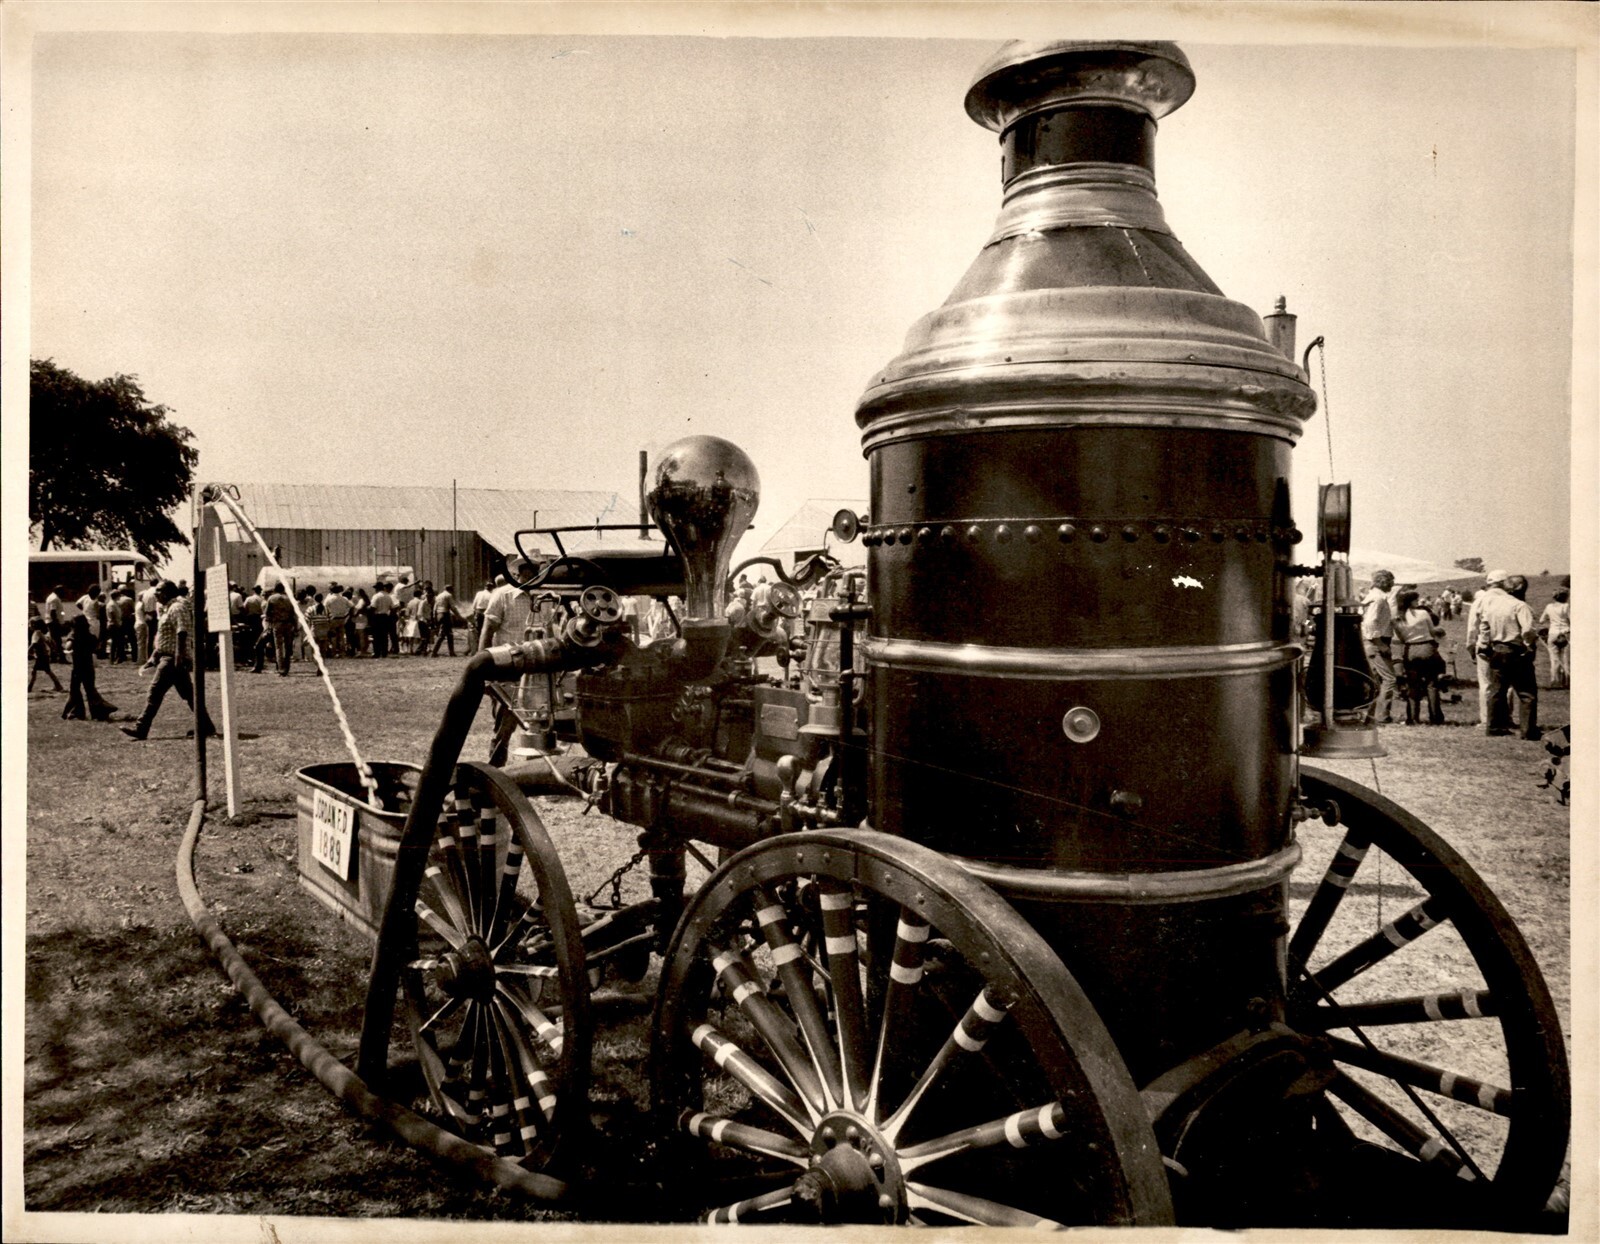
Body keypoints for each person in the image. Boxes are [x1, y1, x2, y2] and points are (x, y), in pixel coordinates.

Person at [122, 581, 216, 740]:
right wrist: (153, 658)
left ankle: (141, 728)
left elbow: (181, 632)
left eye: (158, 591)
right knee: (190, 695)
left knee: (155, 693)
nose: (155, 594)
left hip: (172, 659)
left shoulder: (176, 608)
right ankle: (206, 727)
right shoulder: (168, 608)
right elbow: (166, 638)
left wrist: (179, 658)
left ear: (167, 593)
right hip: (169, 657)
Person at [1474, 572, 1539, 739]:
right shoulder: (1520, 606)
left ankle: (1493, 727)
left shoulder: (1494, 605)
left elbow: (1485, 627)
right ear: (1521, 589)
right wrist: (1529, 646)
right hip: (1516, 651)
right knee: (1527, 693)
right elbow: (1528, 630)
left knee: (1497, 690)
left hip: (1497, 650)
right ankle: (1528, 730)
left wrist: (1485, 645)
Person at [1392, 589, 1445, 725]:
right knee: (1431, 684)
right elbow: (1432, 631)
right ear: (1412, 601)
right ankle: (1435, 717)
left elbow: (1401, 637)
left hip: (1410, 649)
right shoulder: (1423, 613)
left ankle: (1413, 717)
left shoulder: (1397, 618)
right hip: (1426, 647)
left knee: (1413, 685)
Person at [62, 611, 118, 721]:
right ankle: (98, 711)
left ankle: (77, 712)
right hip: (88, 667)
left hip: (78, 668)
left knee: (75, 691)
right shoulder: (90, 636)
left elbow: (68, 647)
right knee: (90, 690)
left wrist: (69, 638)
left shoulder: (74, 635)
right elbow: (96, 647)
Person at [1359, 569, 1397, 724]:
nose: (1393, 584)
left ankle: (1370, 715)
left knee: (1375, 681)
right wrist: (1379, 643)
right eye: (1391, 581)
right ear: (1384, 582)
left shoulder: (1371, 597)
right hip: (1376, 642)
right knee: (1390, 679)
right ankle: (1382, 716)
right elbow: (1370, 622)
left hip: (1371, 642)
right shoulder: (1379, 599)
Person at [257, 581, 297, 676]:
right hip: (288, 624)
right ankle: (287, 667)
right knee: (288, 646)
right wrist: (295, 626)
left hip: (277, 624)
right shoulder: (289, 599)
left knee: (278, 647)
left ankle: (281, 668)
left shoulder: (272, 598)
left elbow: (267, 613)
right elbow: (293, 614)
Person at [1539, 586, 1570, 690]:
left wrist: (1550, 621)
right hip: (1565, 633)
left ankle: (1554, 681)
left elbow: (1541, 620)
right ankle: (1566, 680)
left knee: (1554, 659)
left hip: (1552, 634)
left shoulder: (1549, 607)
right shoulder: (1566, 606)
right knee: (1564, 658)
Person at [28, 617, 65, 692]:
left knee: (35, 671)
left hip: (41, 656)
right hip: (44, 655)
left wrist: (28, 650)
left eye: (30, 624)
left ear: (34, 625)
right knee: (47, 671)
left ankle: (29, 687)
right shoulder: (41, 633)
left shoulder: (36, 633)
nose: (29, 626)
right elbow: (48, 642)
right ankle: (58, 685)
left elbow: (34, 644)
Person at [430, 584, 463, 656]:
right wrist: (459, 616)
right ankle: (434, 652)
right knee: (442, 635)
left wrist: (434, 617)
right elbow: (453, 607)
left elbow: (435, 608)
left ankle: (451, 652)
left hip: (439, 614)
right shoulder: (448, 595)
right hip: (445, 615)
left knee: (449, 634)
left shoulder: (438, 596)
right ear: (450, 589)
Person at [324, 585, 352, 657]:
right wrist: (346, 614)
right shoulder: (344, 598)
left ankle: (334, 652)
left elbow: (324, 608)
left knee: (333, 636)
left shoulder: (329, 599)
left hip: (333, 618)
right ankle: (342, 652)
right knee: (341, 636)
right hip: (342, 618)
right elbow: (351, 606)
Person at [43, 584, 69, 661]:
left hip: (51, 621)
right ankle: (61, 657)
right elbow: (53, 611)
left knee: (54, 640)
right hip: (53, 622)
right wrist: (56, 622)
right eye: (62, 591)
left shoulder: (53, 597)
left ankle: (53, 656)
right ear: (58, 591)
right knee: (57, 640)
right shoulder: (54, 599)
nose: (63, 593)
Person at [370, 582, 395, 657]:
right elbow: (392, 608)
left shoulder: (376, 596)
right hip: (385, 616)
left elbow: (373, 607)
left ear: (377, 588)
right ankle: (384, 652)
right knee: (384, 635)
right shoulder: (388, 596)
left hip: (377, 616)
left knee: (376, 635)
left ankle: (377, 652)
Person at [138, 580, 161, 662]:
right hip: (154, 614)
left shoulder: (146, 593)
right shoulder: (156, 592)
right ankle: (155, 656)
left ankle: (149, 655)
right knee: (157, 636)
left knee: (150, 637)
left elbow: (143, 606)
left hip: (147, 614)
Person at [469, 580, 494, 654]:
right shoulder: (491, 595)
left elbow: (474, 605)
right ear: (491, 588)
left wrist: (474, 614)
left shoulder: (479, 593)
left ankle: (476, 649)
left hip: (478, 612)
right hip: (486, 613)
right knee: (486, 631)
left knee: (477, 631)